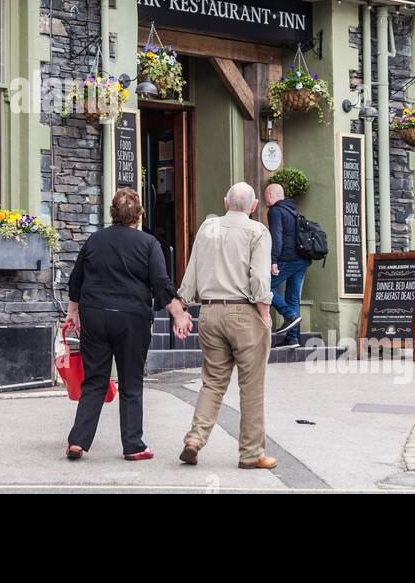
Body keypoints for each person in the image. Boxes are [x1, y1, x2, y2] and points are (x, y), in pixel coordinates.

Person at [63, 188, 193, 462]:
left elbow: (77, 279)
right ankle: (133, 445)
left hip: (95, 315)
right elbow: (160, 283)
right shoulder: (148, 244)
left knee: (95, 380)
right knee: (131, 382)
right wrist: (178, 313)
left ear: (113, 212)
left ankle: (77, 442)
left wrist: (72, 313)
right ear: (140, 214)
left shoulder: (95, 240)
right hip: (131, 319)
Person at [175, 182, 277, 471]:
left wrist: (182, 305)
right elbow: (259, 278)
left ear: (225, 202)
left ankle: (195, 439)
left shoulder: (208, 228)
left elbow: (192, 271)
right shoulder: (258, 231)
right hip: (244, 312)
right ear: (254, 206)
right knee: (252, 387)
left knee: (213, 382)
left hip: (209, 312)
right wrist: (265, 311)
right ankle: (251, 453)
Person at [264, 182, 307, 348]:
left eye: (267, 194)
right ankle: (293, 339)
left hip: (288, 259)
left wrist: (273, 260)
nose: (265, 197)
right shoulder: (293, 210)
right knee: (293, 297)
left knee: (264, 286)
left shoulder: (275, 210)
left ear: (273, 196)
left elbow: (277, 236)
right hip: (302, 260)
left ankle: (288, 315)